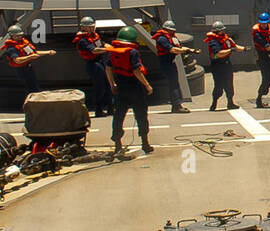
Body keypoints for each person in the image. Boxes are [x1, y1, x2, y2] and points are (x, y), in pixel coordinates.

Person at [105, 26, 153, 154]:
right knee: (141, 115)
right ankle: (145, 143)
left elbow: (108, 69)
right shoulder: (132, 52)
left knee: (119, 115)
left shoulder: (113, 51)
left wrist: (112, 84)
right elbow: (136, 71)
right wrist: (147, 85)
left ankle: (117, 144)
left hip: (121, 86)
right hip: (135, 87)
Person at [72, 17, 112, 117]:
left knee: (108, 85)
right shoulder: (82, 40)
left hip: (101, 62)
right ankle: (99, 110)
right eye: (89, 27)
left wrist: (111, 46)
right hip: (94, 64)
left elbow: (102, 44)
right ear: (83, 27)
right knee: (100, 87)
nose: (92, 28)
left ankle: (111, 108)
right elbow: (94, 50)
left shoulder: (94, 36)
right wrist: (108, 50)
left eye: (92, 26)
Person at [152, 20, 194, 113]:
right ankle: (176, 105)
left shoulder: (172, 38)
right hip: (165, 63)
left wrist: (191, 50)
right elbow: (172, 50)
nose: (172, 32)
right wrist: (184, 50)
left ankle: (177, 104)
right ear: (165, 29)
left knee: (175, 83)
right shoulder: (162, 39)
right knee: (173, 84)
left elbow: (179, 47)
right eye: (170, 30)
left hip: (171, 62)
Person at [1, 25, 55, 97]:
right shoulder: (11, 48)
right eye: (17, 36)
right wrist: (30, 57)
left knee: (34, 85)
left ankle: (36, 97)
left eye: (20, 35)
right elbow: (17, 60)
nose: (19, 37)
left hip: (28, 68)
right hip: (22, 70)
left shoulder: (23, 43)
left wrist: (48, 52)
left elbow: (35, 53)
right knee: (30, 87)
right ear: (12, 36)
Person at [203, 21, 246, 111]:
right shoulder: (213, 41)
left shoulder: (226, 38)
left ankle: (230, 103)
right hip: (217, 65)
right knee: (219, 85)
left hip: (226, 64)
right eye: (221, 30)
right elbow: (218, 53)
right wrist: (230, 50)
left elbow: (235, 46)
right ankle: (214, 103)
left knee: (229, 84)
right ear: (216, 31)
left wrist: (244, 49)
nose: (222, 31)